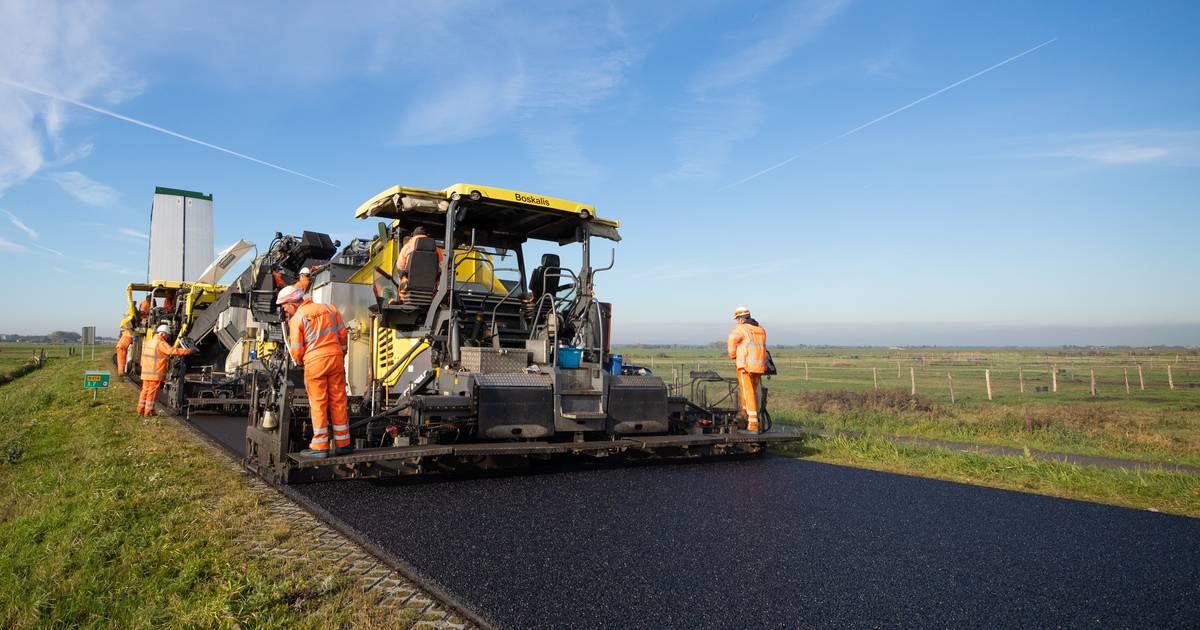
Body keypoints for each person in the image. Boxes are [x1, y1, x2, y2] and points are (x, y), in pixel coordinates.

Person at [277, 286, 351, 458]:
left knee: (318, 404)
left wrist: (299, 361)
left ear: (292, 303)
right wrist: (341, 352)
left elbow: (296, 349)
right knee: (338, 400)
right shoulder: (330, 309)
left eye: (284, 306)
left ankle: (320, 446)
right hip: (336, 359)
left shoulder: (297, 319)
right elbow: (343, 335)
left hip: (315, 363)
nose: (284, 311)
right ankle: (343, 444)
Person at [137, 324, 195, 417]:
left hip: (146, 372)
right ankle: (147, 412)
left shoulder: (149, 342)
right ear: (163, 334)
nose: (167, 337)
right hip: (155, 373)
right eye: (167, 335)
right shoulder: (160, 343)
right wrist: (188, 351)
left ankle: (140, 409)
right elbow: (172, 351)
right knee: (152, 392)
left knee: (145, 391)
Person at [726, 306, 768, 433]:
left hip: (745, 367)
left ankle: (753, 425)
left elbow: (731, 341)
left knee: (747, 393)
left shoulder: (741, 329)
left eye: (737, 318)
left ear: (741, 318)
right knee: (753, 393)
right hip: (759, 367)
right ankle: (745, 414)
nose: (737, 321)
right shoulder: (761, 329)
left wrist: (733, 355)